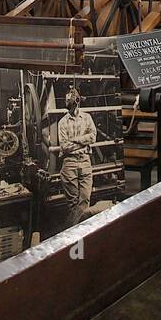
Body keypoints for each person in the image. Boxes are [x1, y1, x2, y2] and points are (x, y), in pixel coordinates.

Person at [57, 86, 96, 227]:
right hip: (69, 163)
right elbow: (64, 147)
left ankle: (73, 230)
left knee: (85, 199)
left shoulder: (87, 118)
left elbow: (92, 138)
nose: (66, 102)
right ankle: (78, 233)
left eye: (69, 100)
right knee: (73, 203)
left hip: (85, 161)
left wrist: (74, 140)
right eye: (66, 100)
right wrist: (82, 142)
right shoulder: (62, 122)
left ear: (77, 100)